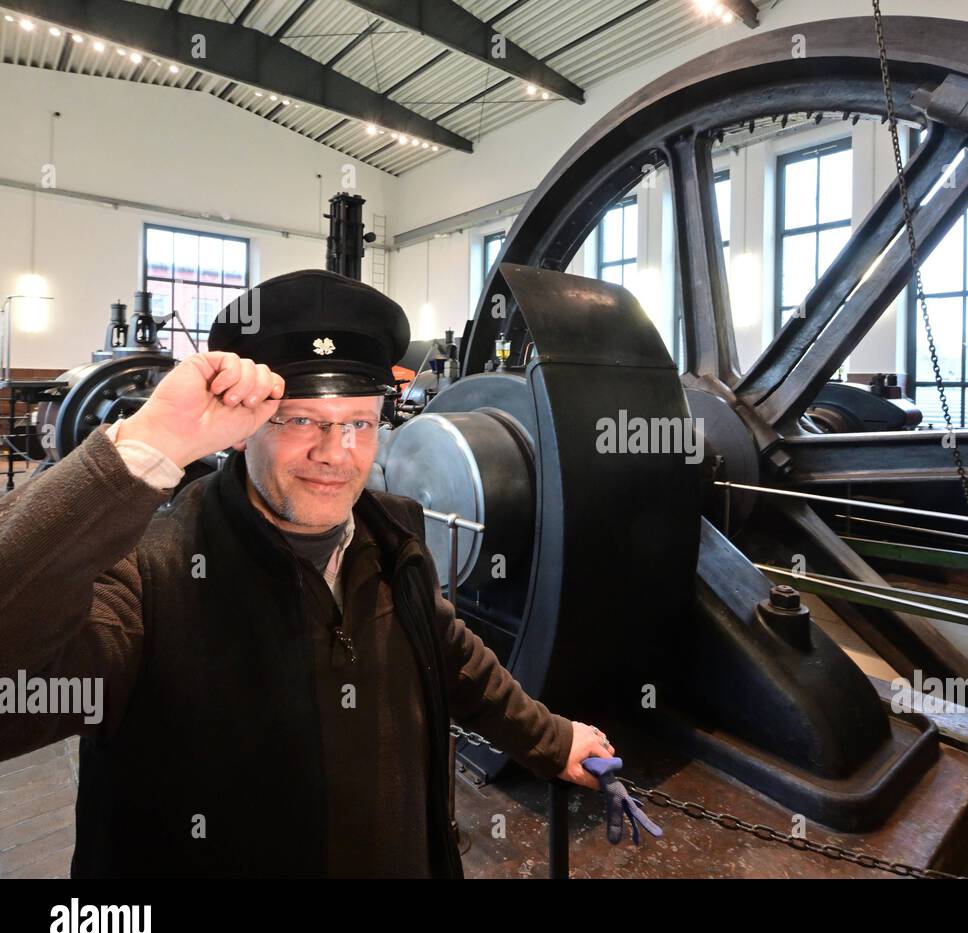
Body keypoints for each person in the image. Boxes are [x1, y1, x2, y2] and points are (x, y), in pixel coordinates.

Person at [0, 269, 616, 877]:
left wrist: (552, 739)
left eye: (359, 423)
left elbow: (451, 655)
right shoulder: (149, 569)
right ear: (241, 432)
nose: (334, 452)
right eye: (300, 420)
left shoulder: (391, 534)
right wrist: (146, 444)